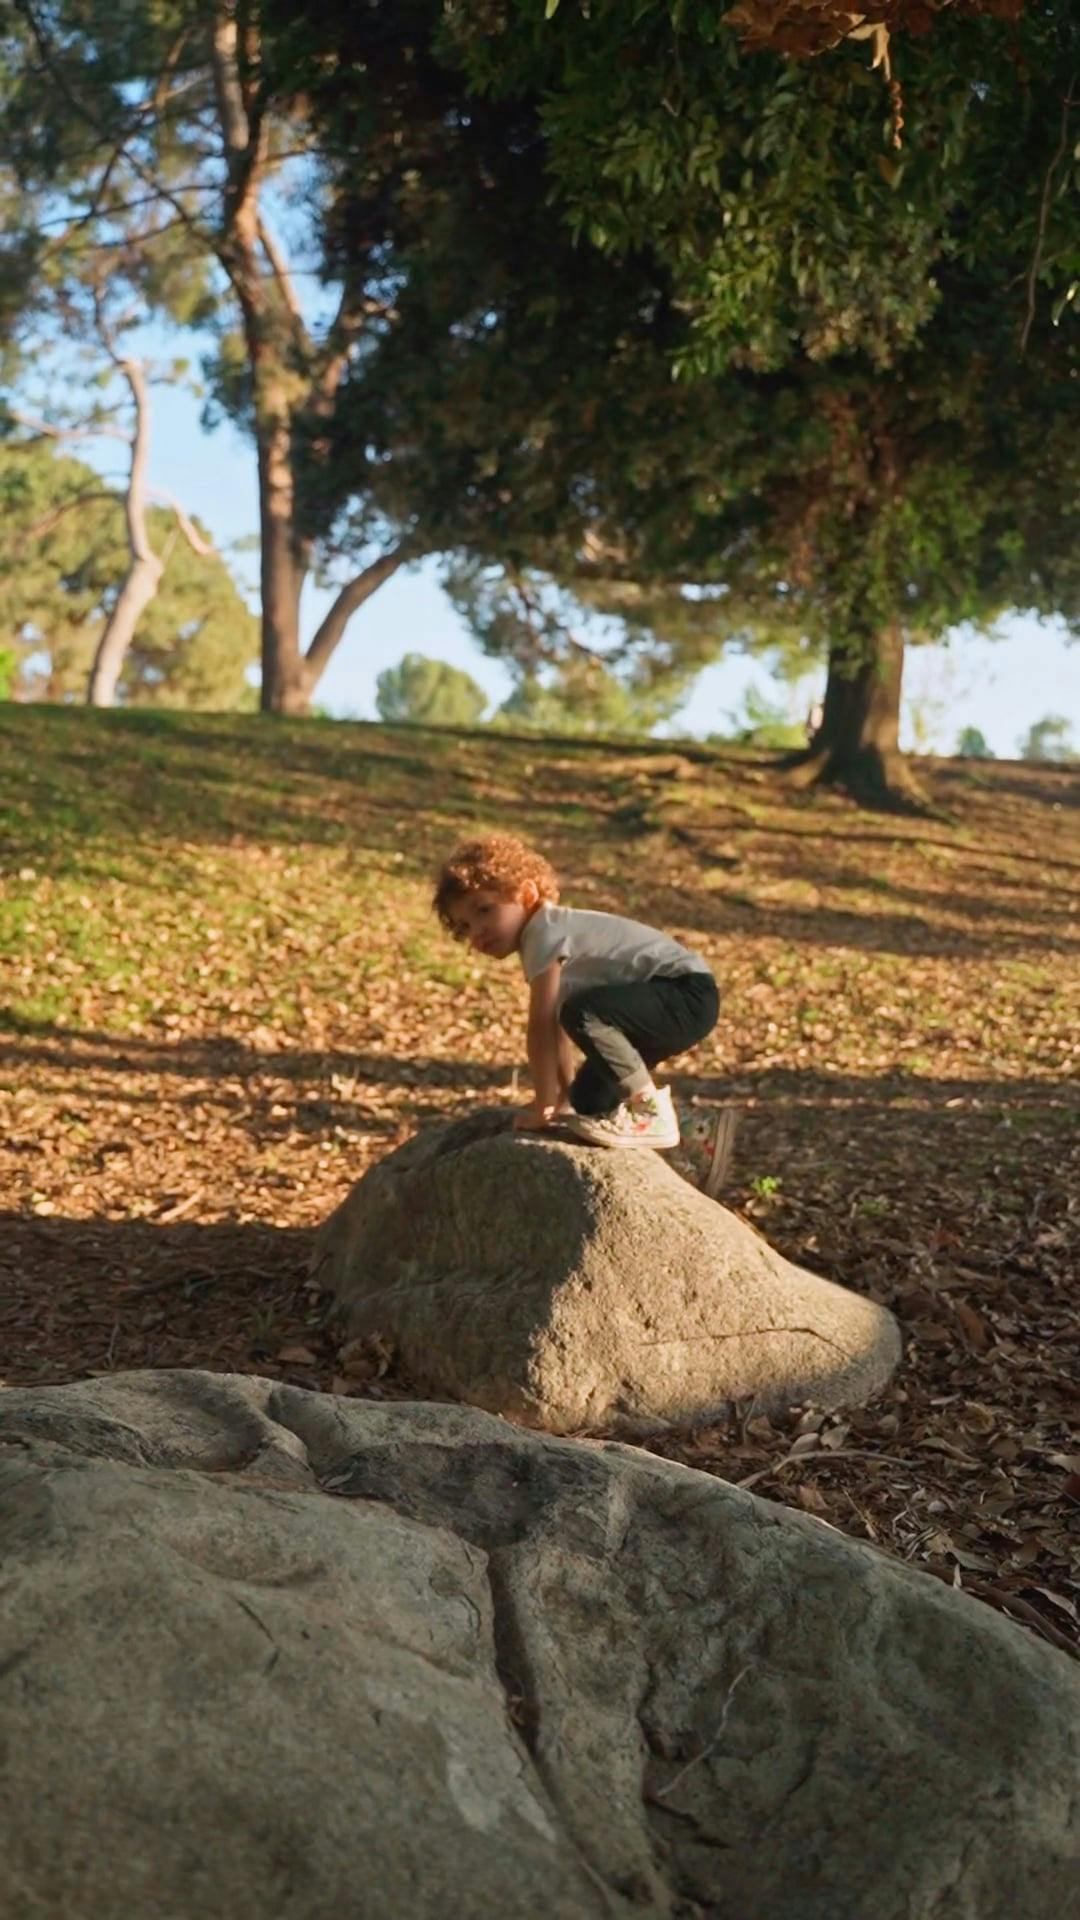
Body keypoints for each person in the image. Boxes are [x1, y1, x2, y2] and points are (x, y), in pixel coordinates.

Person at [433, 831, 720, 1154]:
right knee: (589, 1103)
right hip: (662, 1005)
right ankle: (699, 1143)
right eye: (465, 927)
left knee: (583, 1012)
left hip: (684, 992)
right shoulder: (544, 941)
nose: (477, 930)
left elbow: (541, 1027)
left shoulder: (545, 930)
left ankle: (651, 1113)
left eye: (484, 910)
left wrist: (543, 1106)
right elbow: (556, 1029)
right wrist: (563, 1100)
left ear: (526, 896)